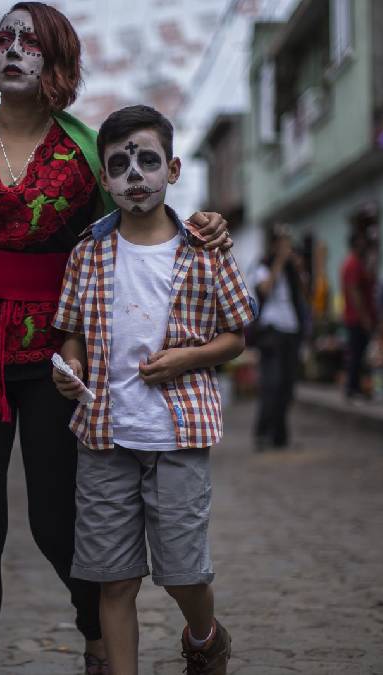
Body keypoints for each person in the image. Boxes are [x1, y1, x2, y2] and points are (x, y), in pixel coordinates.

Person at [0, 4, 233, 674]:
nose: (12, 47)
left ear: (58, 60)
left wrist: (201, 225)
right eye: (4, 36)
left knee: (59, 524)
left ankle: (94, 627)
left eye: (30, 40)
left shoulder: (87, 150)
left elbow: (137, 219)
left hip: (62, 361)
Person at [53, 105, 255, 675]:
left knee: (184, 572)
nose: (134, 174)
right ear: (104, 179)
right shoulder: (87, 253)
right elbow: (70, 335)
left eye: (147, 160)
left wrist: (190, 358)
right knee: (113, 580)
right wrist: (68, 368)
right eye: (119, 164)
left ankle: (204, 633)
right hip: (104, 436)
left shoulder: (204, 248)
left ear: (173, 168)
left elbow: (236, 334)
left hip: (177, 432)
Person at [252, 224, 307, 450]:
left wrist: (298, 268)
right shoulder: (263, 265)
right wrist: (280, 262)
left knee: (287, 385)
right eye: (282, 243)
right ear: (274, 245)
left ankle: (280, 436)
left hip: (291, 329)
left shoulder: (292, 268)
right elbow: (264, 290)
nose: (286, 247)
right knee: (271, 384)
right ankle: (262, 432)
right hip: (271, 330)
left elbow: (305, 293)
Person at [341, 226, 377, 400]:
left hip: (356, 317)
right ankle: (352, 389)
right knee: (357, 354)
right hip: (356, 318)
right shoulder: (353, 264)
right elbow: (355, 292)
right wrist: (364, 318)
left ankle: (356, 388)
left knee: (358, 354)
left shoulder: (355, 263)